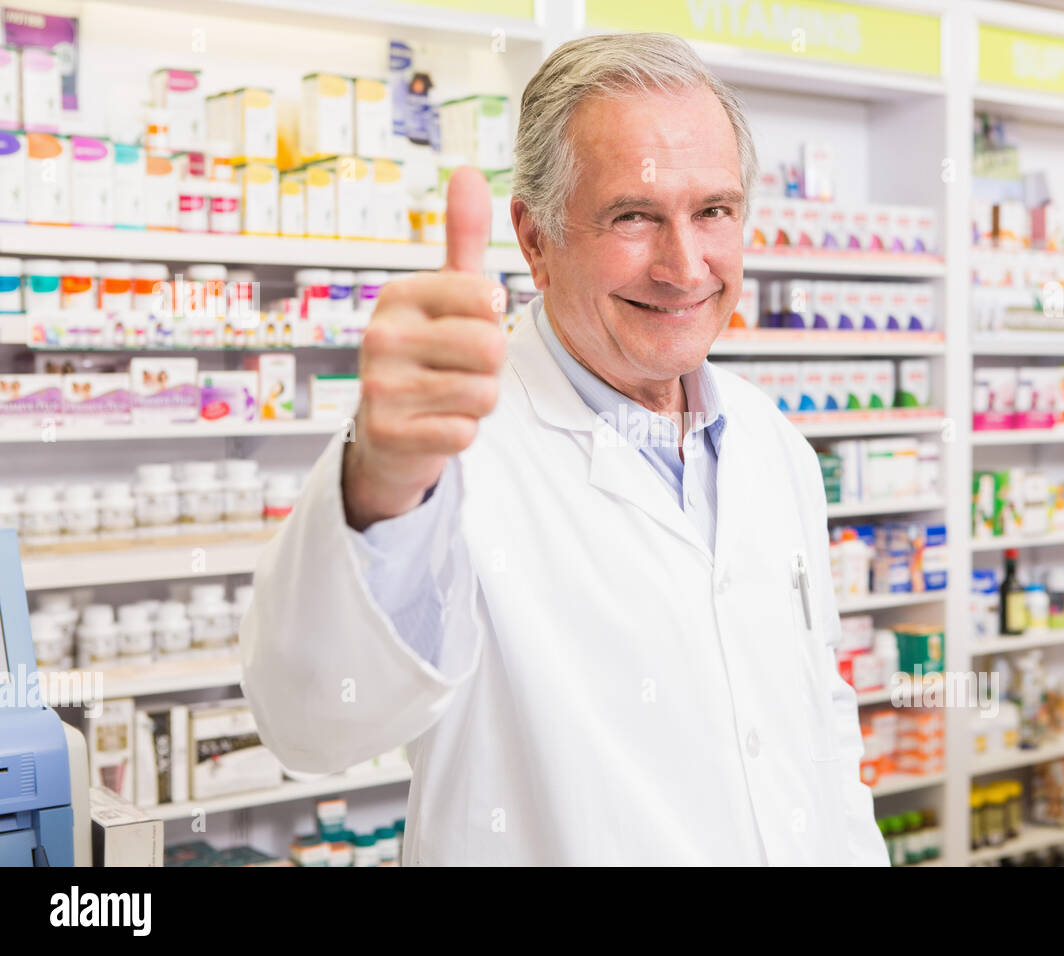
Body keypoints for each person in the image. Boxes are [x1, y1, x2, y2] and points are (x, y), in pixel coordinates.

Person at [240, 32, 889, 866]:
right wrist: (380, 484)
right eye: (634, 216)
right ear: (535, 240)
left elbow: (819, 721)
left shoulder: (775, 446)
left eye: (714, 211)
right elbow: (314, 723)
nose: (684, 266)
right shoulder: (448, 459)